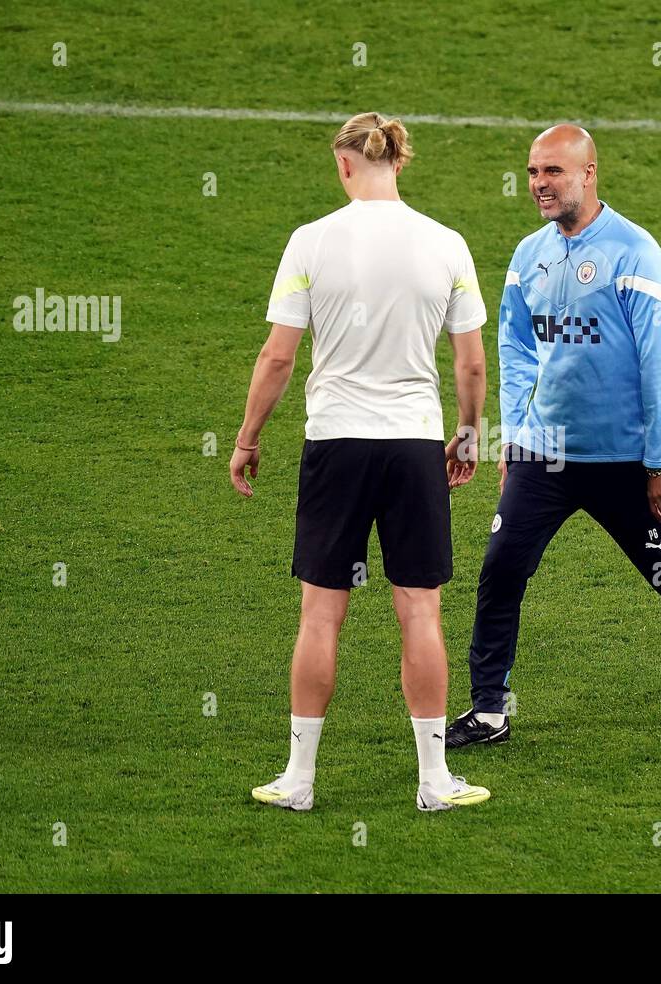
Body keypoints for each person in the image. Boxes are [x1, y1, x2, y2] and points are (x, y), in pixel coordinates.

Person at [446, 124, 661, 748]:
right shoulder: (530, 255)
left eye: (552, 172)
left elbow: (659, 364)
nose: (538, 185)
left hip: (622, 462)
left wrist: (656, 463)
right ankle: (490, 707)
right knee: (501, 569)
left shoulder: (636, 254)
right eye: (532, 172)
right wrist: (518, 435)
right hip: (544, 455)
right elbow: (515, 347)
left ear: (589, 173)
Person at [230, 112, 491, 811]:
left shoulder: (311, 241)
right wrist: (467, 436)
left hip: (337, 444)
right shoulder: (446, 244)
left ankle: (300, 780)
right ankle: (435, 781)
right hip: (412, 447)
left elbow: (279, 355)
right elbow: (469, 364)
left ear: (345, 165)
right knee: (421, 613)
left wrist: (249, 437)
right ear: (397, 163)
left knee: (320, 616)